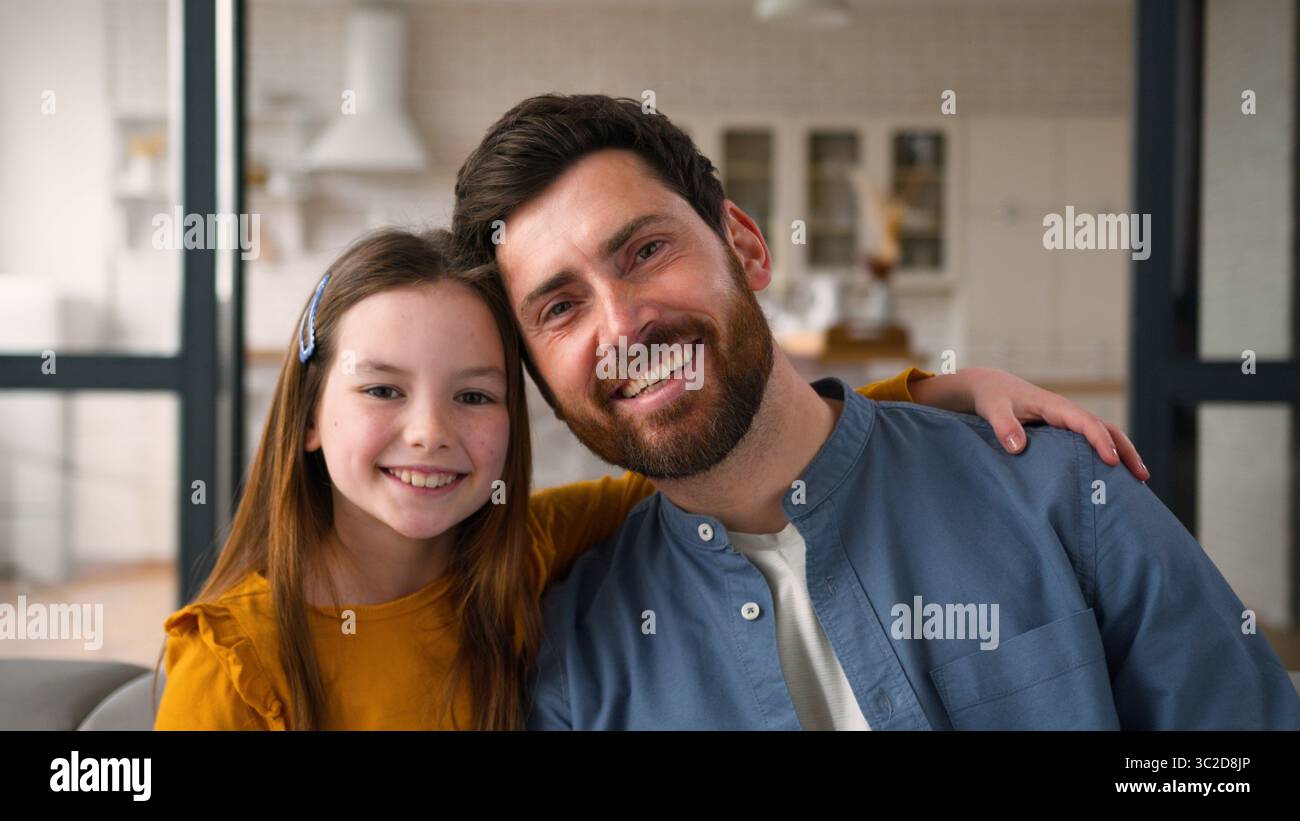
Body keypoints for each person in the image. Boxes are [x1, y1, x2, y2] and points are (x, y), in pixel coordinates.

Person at [449, 93, 1300, 730]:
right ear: (539, 378)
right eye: (559, 308)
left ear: (745, 246)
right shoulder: (576, 666)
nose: (622, 324)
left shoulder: (1064, 491)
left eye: (645, 250)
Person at [154, 227, 1113, 730]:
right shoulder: (235, 663)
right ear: (309, 418)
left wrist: (932, 389)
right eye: (382, 389)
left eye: (477, 396)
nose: (430, 431)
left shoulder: (518, 547)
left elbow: (741, 443)